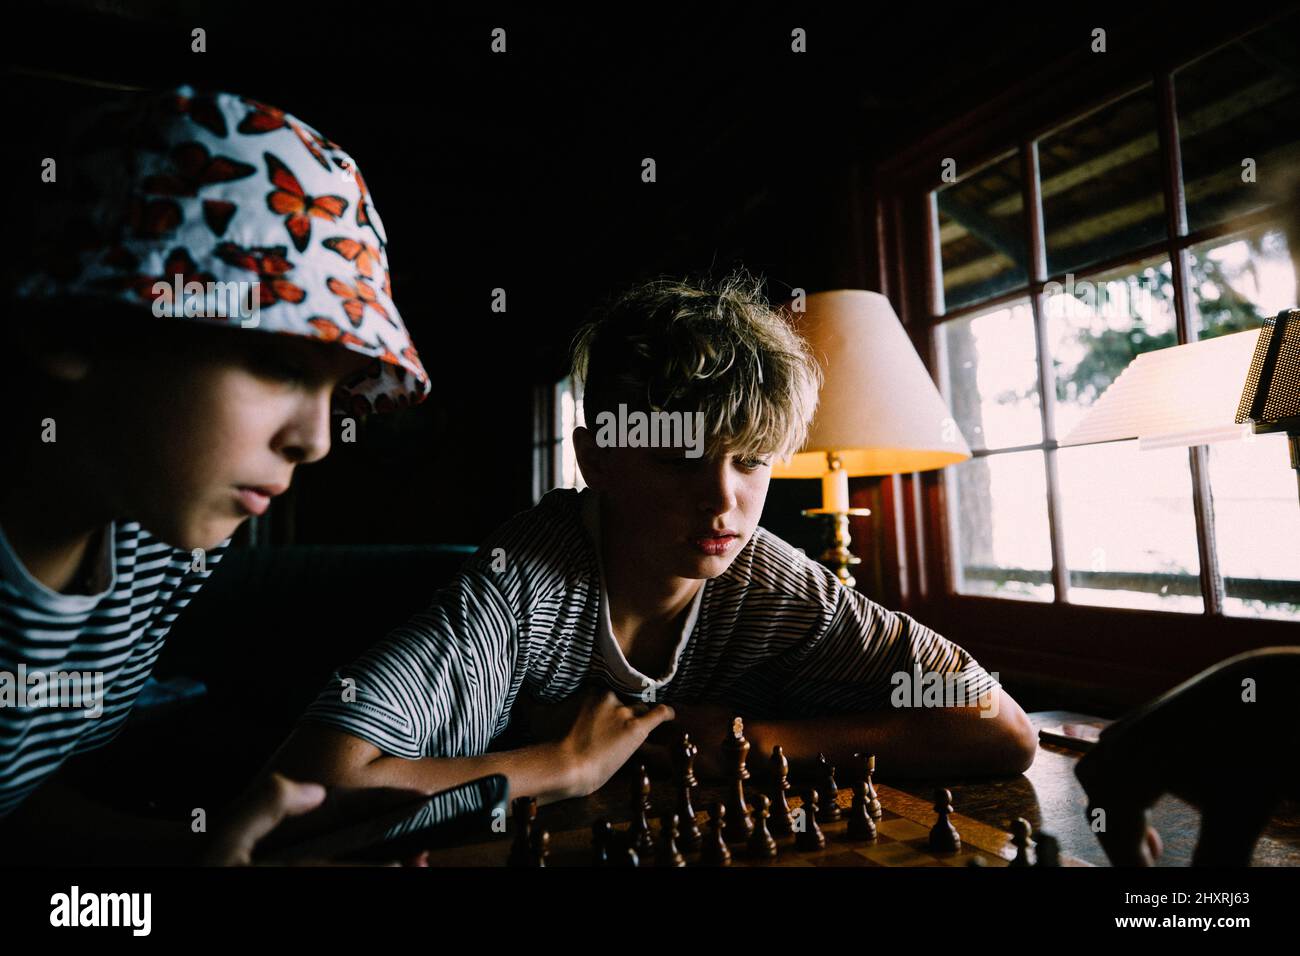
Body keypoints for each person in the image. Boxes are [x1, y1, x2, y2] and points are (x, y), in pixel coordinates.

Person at [271, 272, 1037, 805]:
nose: (724, 501)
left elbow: (999, 728)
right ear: (597, 458)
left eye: (752, 461)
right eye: (679, 460)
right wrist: (565, 763)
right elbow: (311, 780)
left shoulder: (771, 579)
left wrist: (756, 738)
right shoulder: (524, 582)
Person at [0, 83, 431, 864]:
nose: (317, 441)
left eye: (337, 390)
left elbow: (15, 796)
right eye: (277, 363)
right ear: (74, 326)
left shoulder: (160, 552)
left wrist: (186, 853)